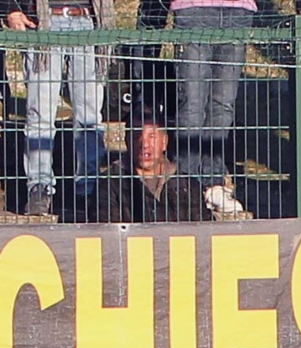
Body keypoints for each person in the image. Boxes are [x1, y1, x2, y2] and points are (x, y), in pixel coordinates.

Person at [3, 0, 114, 217]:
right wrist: (11, 9)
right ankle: (39, 188)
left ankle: (89, 190)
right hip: (41, 22)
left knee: (89, 117)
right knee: (40, 114)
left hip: (89, 21)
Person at [170, 0, 255, 216]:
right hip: (193, 8)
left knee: (223, 106)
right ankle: (185, 185)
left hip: (239, 11)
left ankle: (214, 184)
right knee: (192, 105)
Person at [97, 110, 212, 222]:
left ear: (164, 142)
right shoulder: (109, 183)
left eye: (152, 136)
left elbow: (205, 230)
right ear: (127, 142)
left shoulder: (185, 184)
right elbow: (108, 233)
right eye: (137, 136)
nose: (144, 144)